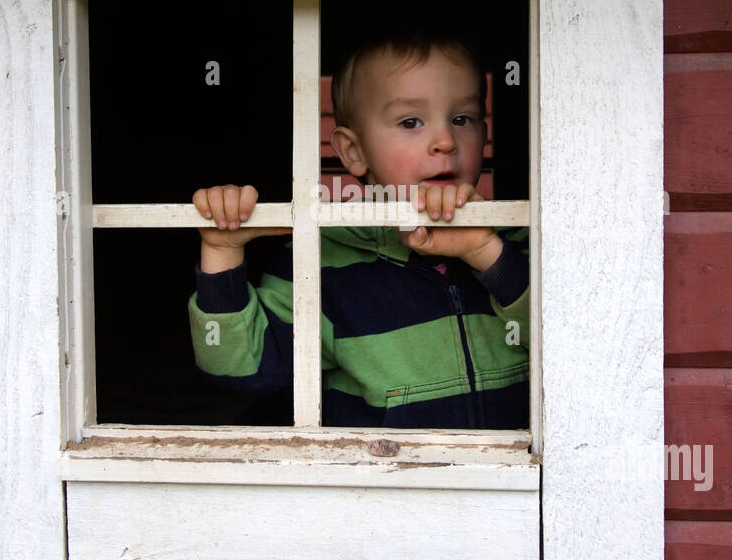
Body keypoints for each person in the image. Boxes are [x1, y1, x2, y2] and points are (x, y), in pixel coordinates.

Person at [187, 22, 529, 428]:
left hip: (512, 484)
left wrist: (485, 252)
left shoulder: (516, 238)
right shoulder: (323, 261)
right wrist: (222, 251)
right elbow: (243, 369)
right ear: (353, 150)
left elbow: (576, 349)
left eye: (462, 118)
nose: (445, 141)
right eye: (410, 122)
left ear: (484, 134)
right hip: (382, 484)